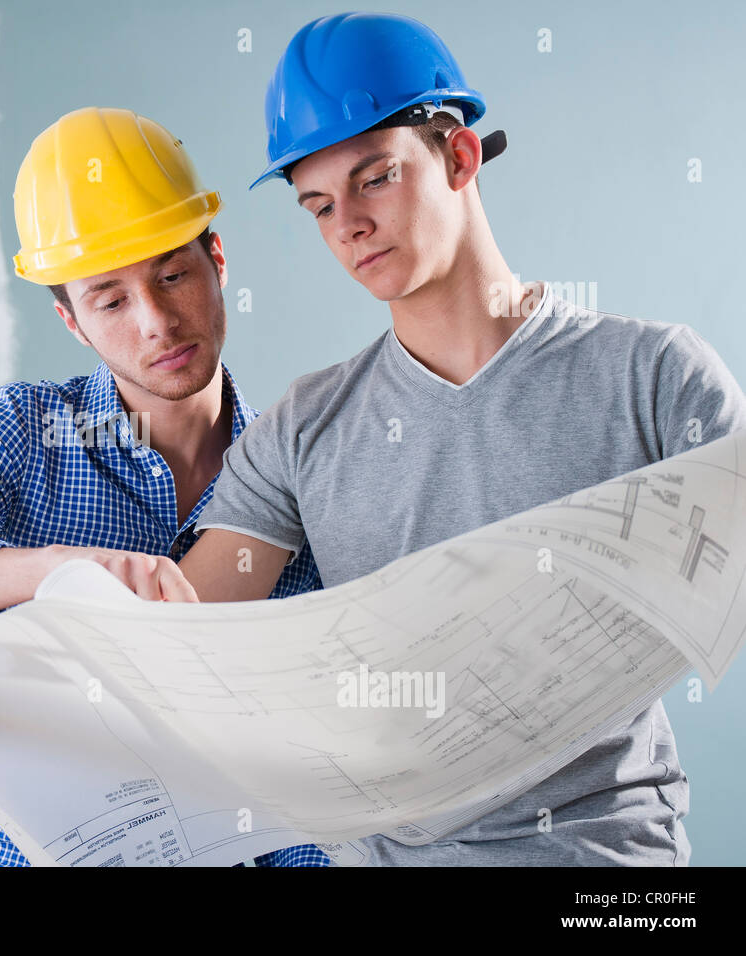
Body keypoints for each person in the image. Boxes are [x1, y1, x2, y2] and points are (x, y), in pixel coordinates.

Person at [175, 11, 746, 865]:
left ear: (460, 158)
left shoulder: (655, 379)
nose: (348, 227)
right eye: (319, 206)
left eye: (375, 179)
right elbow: (175, 643)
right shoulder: (304, 429)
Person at [0, 106, 327, 866]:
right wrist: (62, 574)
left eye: (173, 275)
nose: (158, 322)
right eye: (110, 299)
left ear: (217, 259)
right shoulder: (22, 430)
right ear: (72, 321)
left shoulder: (297, 474)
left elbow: (304, 769)